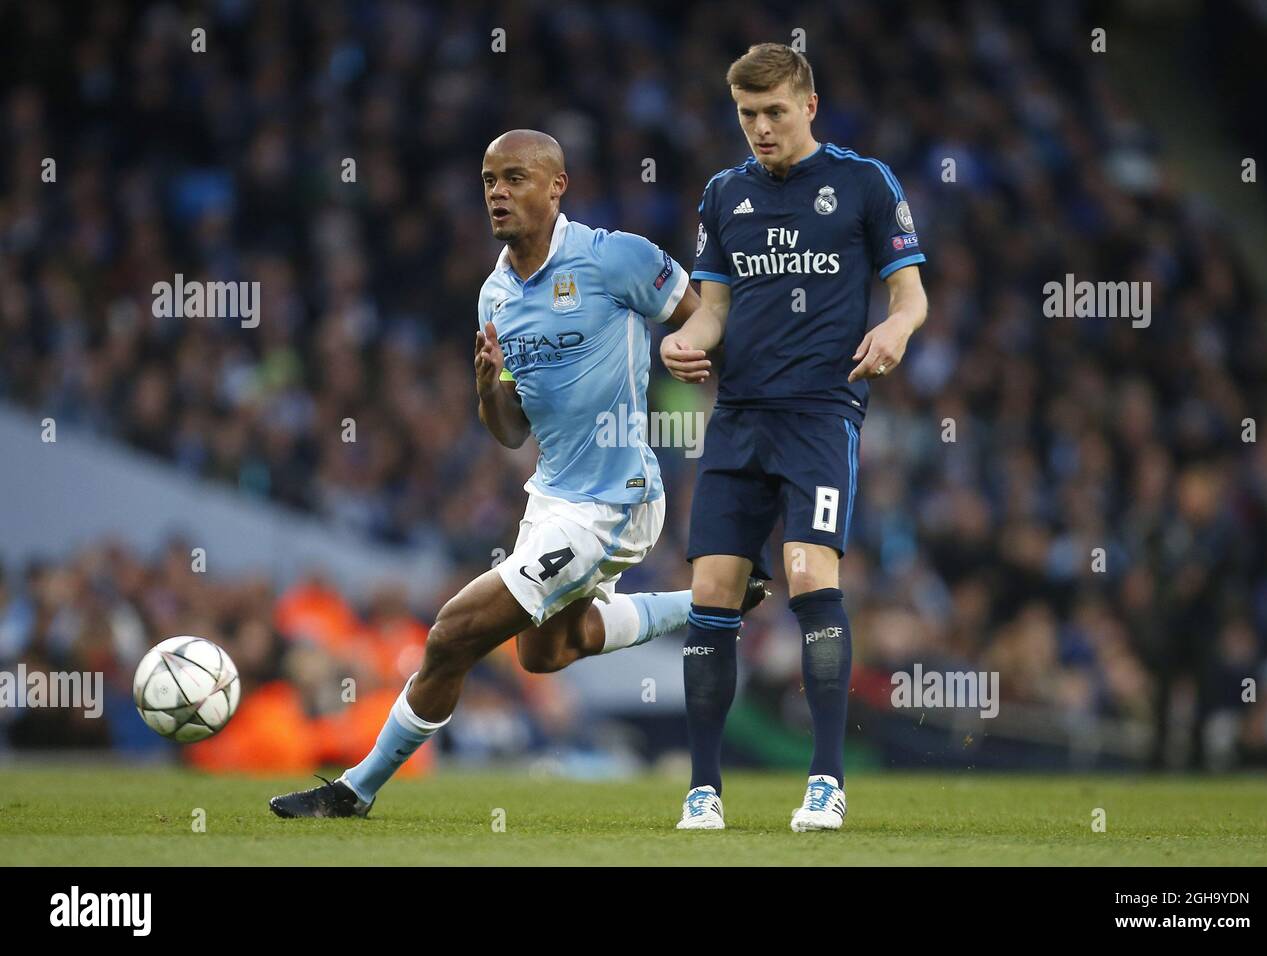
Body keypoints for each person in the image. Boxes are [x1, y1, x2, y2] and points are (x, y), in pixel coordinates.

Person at [270, 130, 765, 818]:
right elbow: (509, 431)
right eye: (488, 181)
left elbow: (709, 319)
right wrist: (486, 389)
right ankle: (710, 604)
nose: (497, 193)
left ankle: (355, 789)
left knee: (451, 632)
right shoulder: (494, 296)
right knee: (546, 652)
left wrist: (716, 374)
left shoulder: (613, 256)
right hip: (552, 495)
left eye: (513, 178)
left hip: (616, 496)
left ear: (556, 186)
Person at [661, 44, 930, 831]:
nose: (760, 129)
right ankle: (703, 788)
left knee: (810, 576)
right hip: (738, 417)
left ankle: (826, 779)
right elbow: (713, 308)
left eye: (774, 111)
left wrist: (896, 332)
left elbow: (912, 297)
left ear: (808, 105)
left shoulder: (864, 183)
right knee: (711, 593)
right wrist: (689, 339)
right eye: (747, 115)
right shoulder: (723, 195)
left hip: (819, 415)